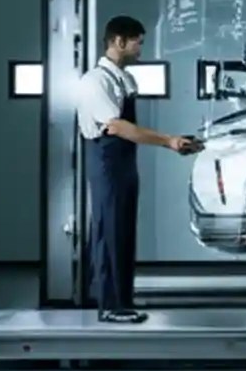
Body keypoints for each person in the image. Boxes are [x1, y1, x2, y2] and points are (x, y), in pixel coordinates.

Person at [76, 16, 202, 324]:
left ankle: (123, 300)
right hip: (106, 161)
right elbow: (117, 126)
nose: (140, 48)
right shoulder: (96, 81)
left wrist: (177, 141)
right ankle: (109, 305)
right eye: (138, 42)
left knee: (124, 231)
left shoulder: (125, 79)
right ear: (118, 41)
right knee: (109, 230)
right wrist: (167, 141)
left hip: (124, 161)